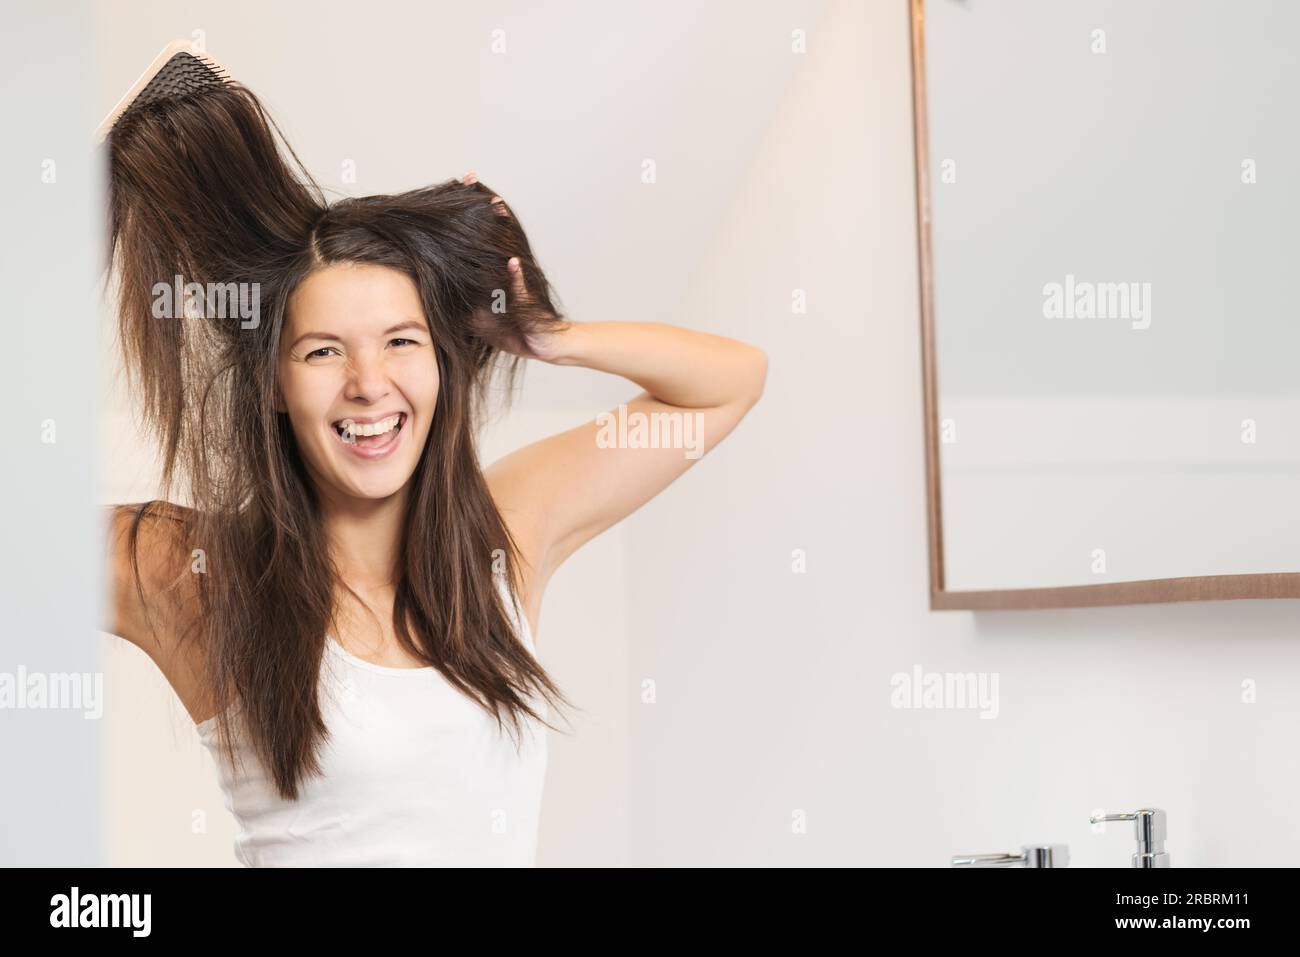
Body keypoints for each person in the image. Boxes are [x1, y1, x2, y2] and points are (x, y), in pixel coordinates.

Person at [103, 80, 766, 865]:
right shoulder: (196, 572)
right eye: (323, 350)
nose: (368, 383)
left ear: (442, 364)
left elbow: (730, 383)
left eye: (401, 341)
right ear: (273, 384)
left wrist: (552, 337)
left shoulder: (505, 534)